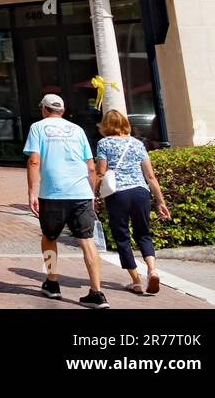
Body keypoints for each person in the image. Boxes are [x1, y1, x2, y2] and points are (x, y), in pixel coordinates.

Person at [25, 93, 107, 308]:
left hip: (53, 192)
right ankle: (97, 292)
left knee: (49, 237)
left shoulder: (38, 128)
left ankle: (52, 283)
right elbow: (90, 165)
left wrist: (32, 192)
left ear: (44, 109)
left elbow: (34, 161)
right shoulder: (77, 130)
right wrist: (92, 194)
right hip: (80, 191)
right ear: (62, 110)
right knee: (87, 240)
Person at [95, 110, 171, 296]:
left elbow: (101, 172)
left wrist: (93, 195)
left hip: (118, 194)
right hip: (141, 192)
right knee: (143, 233)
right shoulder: (137, 144)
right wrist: (160, 201)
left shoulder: (104, 143)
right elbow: (150, 176)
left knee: (122, 236)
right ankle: (152, 270)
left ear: (106, 125)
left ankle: (136, 280)